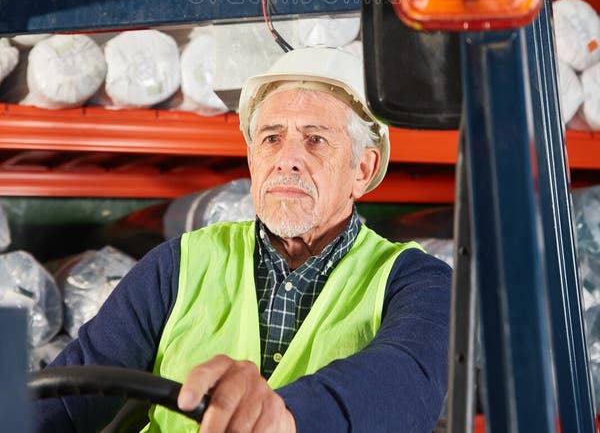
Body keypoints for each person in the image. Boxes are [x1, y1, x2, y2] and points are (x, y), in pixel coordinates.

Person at [33, 46, 451, 432]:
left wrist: (284, 415)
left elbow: (409, 379)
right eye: (271, 138)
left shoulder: (417, 281)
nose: (287, 158)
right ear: (253, 159)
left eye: (315, 139)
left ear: (362, 168)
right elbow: (70, 398)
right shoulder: (179, 264)